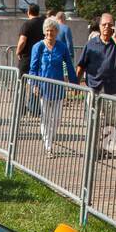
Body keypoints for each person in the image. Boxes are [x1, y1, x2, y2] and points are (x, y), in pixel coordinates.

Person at [30, 16, 74, 155]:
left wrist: (74, 83)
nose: (50, 34)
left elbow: (69, 65)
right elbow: (33, 67)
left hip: (58, 87)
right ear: (45, 31)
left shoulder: (62, 47)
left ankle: (49, 138)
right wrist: (34, 84)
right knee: (45, 117)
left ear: (56, 31)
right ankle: (48, 146)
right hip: (43, 87)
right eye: (48, 31)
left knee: (57, 119)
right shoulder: (38, 46)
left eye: (53, 31)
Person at [76, 12, 116, 96]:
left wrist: (115, 38)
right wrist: (76, 83)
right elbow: (81, 66)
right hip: (94, 89)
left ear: (114, 27)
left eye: (110, 25)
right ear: (99, 26)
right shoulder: (90, 44)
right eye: (104, 24)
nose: (107, 27)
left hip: (114, 90)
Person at [16, 3, 45, 112]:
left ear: (28, 12)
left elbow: (22, 40)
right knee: (37, 82)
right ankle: (36, 108)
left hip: (27, 58)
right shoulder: (44, 24)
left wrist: (18, 51)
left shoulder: (27, 24)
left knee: (21, 82)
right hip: (40, 58)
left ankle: (21, 107)